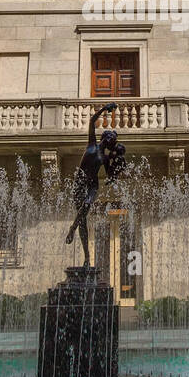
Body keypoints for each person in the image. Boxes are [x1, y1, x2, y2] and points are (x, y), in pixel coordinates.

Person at [65, 102, 122, 267]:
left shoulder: (105, 158)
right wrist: (104, 109)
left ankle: (72, 229)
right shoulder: (91, 144)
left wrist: (118, 164)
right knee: (83, 219)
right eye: (110, 136)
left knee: (87, 204)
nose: (111, 139)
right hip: (79, 182)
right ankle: (87, 257)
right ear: (104, 137)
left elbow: (111, 176)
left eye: (113, 139)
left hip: (92, 185)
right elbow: (91, 121)